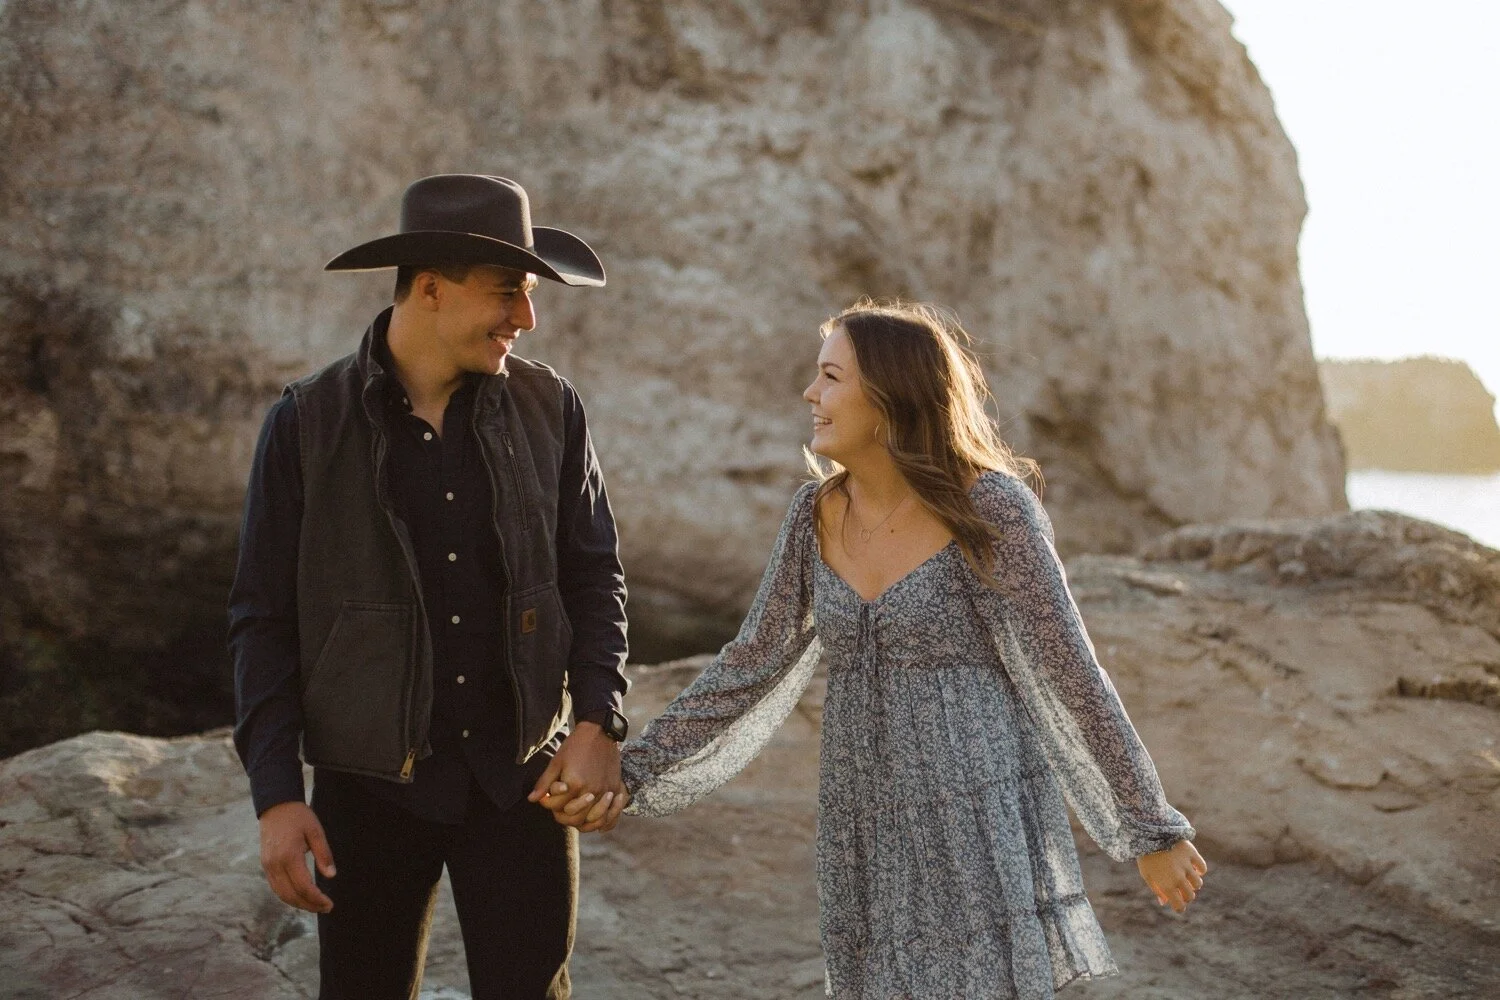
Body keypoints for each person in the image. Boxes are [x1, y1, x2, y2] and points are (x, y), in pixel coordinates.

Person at [541, 300, 1207, 999]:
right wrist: (630, 771)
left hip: (974, 809)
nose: (810, 394)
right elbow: (750, 665)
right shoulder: (815, 514)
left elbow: (1072, 671)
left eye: (830, 377)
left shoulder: (991, 508)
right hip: (863, 815)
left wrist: (1150, 828)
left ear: (889, 396)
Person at [228, 173, 632, 1000]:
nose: (527, 317)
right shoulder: (305, 423)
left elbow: (595, 576)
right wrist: (277, 796)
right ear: (432, 290)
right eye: (509, 292)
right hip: (367, 794)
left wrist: (598, 722)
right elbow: (261, 619)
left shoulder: (551, 406)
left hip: (521, 781)